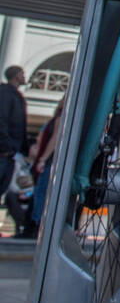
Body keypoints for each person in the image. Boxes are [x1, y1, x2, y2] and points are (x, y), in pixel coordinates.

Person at [0, 66, 28, 226]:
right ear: (16, 75)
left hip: (10, 153)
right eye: (22, 73)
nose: (24, 76)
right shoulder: (6, 94)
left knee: (5, 188)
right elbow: (1, 119)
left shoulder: (16, 96)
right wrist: (6, 146)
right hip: (5, 152)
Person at [32, 97, 65, 231]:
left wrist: (42, 159)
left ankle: (37, 223)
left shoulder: (60, 118)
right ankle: (38, 222)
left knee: (41, 193)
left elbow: (54, 139)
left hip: (50, 163)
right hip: (53, 162)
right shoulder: (60, 118)